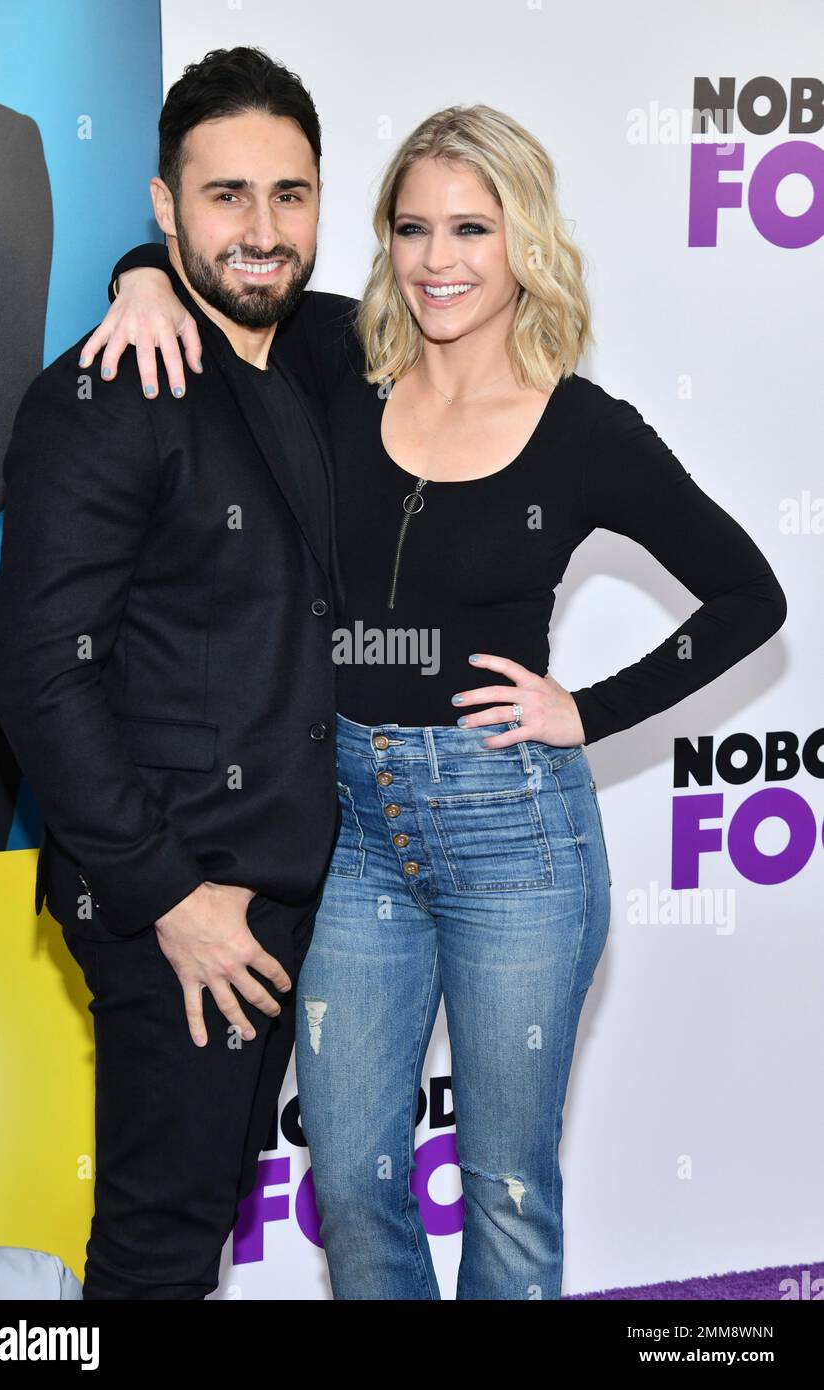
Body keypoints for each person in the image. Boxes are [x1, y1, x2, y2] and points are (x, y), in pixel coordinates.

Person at [84, 102, 787, 1299]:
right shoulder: (339, 367)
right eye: (412, 228)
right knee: (352, 1177)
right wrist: (139, 275)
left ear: (526, 241)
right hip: (349, 827)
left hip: (515, 829)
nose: (438, 259)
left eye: (472, 227)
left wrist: (590, 710)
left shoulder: (584, 433)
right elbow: (228, 280)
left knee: (508, 1188)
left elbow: (748, 596)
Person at [0, 47, 348, 1299]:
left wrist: (140, 276)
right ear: (163, 202)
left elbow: (447, 295)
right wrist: (171, 898)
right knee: (157, 1246)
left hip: (281, 885)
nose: (262, 231)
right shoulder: (105, 393)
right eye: (225, 197)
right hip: (179, 899)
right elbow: (38, 677)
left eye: (289, 195)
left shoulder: (311, 351)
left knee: (196, 1217)